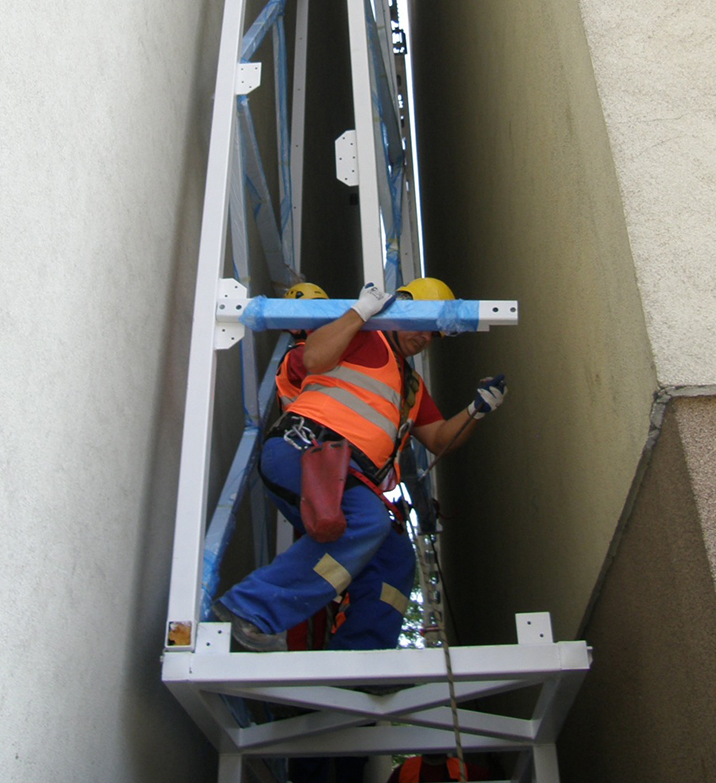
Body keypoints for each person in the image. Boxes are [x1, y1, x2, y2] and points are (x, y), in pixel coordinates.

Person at [216, 278, 507, 651]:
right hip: (306, 449)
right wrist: (360, 312)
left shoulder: (411, 388)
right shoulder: (364, 335)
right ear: (400, 308)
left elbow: (438, 439)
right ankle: (251, 608)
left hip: (347, 475)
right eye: (421, 324)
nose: (425, 338)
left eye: (434, 335)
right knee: (366, 520)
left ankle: (362, 653)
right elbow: (314, 358)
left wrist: (477, 410)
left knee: (394, 557)